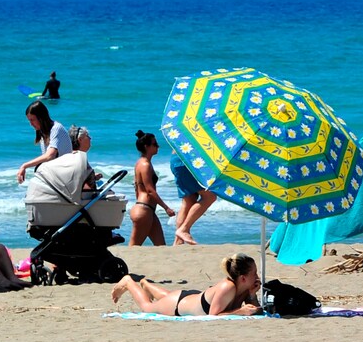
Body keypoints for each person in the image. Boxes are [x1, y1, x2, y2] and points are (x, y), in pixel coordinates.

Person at [110, 253, 262, 316]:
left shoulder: (243, 288)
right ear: (242, 278)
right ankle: (128, 282)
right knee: (147, 307)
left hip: (191, 298)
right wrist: (239, 312)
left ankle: (147, 285)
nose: (257, 276)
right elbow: (212, 317)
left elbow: (256, 311)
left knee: (166, 297)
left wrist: (252, 295)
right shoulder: (227, 287)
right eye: (254, 273)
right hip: (179, 305)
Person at [128, 130, 175, 246]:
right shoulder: (145, 165)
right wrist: (166, 208)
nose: (158, 146)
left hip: (146, 210)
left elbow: (137, 187)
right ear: (146, 146)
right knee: (134, 247)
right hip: (144, 210)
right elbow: (149, 190)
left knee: (161, 246)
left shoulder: (140, 163)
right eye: (155, 144)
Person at [16, 100, 72, 184]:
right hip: (58, 174)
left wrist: (25, 165)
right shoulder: (43, 133)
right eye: (29, 120)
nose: (30, 124)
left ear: (41, 118)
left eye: (32, 120)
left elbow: (50, 156)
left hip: (67, 174)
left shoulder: (56, 128)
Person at [170, 154, 216, 245]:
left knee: (188, 202)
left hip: (178, 160)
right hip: (187, 161)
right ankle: (184, 229)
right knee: (210, 197)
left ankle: (178, 241)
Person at [69, 124, 102, 191]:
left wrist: (93, 177)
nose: (90, 138)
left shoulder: (70, 155)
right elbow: (82, 186)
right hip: (85, 198)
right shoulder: (78, 158)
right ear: (80, 139)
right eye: (87, 135)